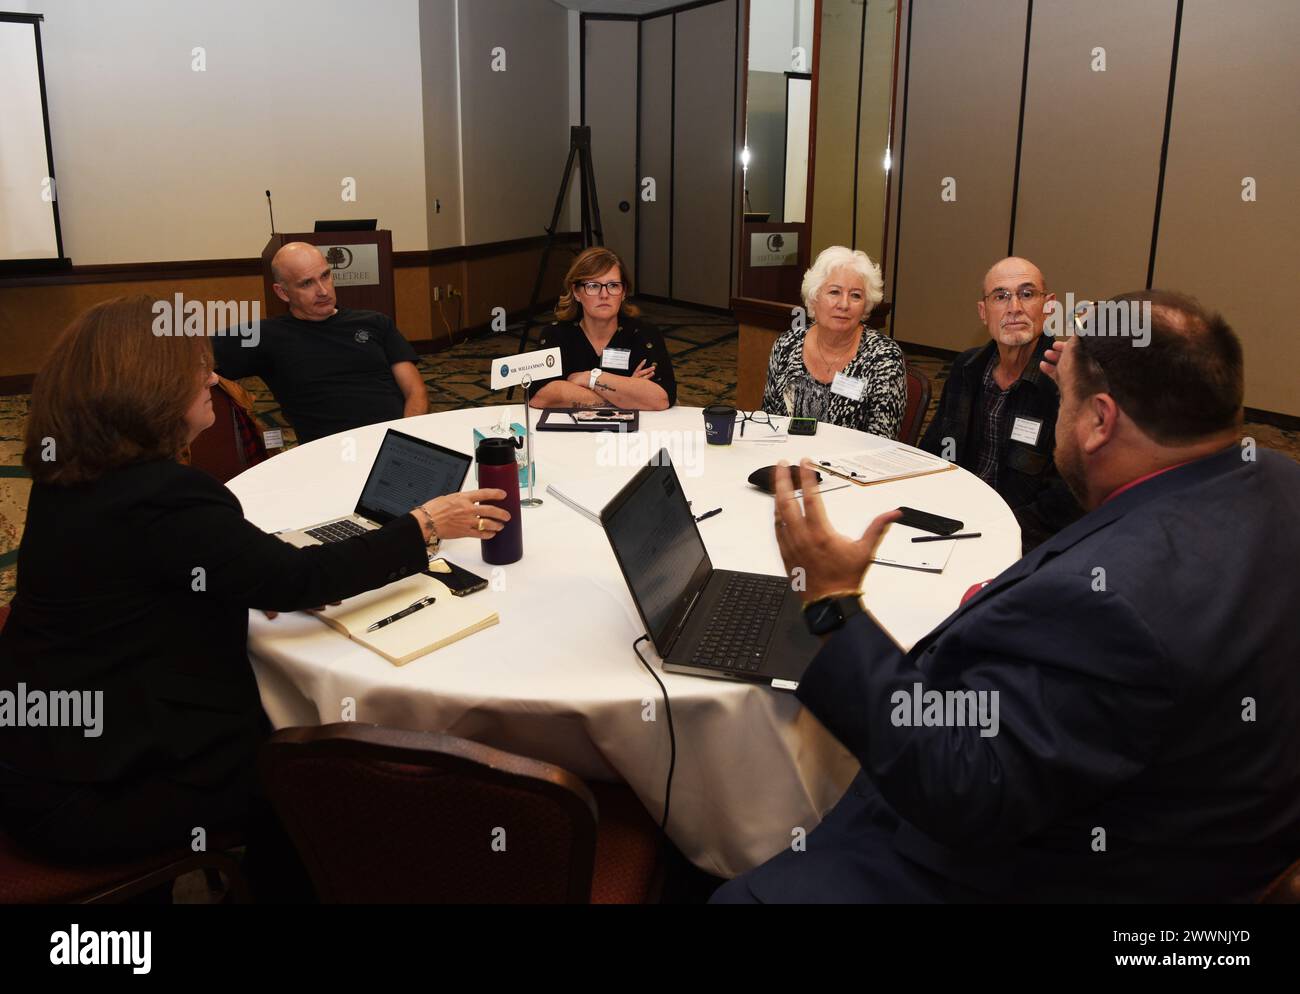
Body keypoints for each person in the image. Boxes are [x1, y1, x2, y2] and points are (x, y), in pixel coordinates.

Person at [715, 290, 1300, 903]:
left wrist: (834, 602)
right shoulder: (1281, 482)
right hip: (1219, 826)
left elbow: (960, 786)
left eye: (1066, 402)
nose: (1057, 418)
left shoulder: (1107, 605)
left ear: (1101, 421)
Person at [0, 296, 509, 894]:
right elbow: (302, 582)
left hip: (42, 756)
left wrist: (243, 570)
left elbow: (186, 569)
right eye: (197, 366)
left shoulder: (73, 476)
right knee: (332, 780)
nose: (214, 379)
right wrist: (423, 524)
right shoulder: (167, 496)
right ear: (151, 391)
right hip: (103, 793)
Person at [920, 256, 1080, 551]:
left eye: (1027, 294)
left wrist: (989, 534)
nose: (1014, 307)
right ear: (984, 312)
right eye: (1001, 296)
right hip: (953, 521)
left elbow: (1065, 504)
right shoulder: (967, 368)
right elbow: (934, 452)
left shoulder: (1066, 382)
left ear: (1049, 307)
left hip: (1021, 541)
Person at [213, 242, 429, 445]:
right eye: (307, 283)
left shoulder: (374, 322)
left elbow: (415, 390)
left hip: (395, 440)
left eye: (325, 276)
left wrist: (404, 440)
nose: (323, 291)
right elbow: (192, 353)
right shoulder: (267, 335)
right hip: (329, 453)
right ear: (282, 292)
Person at [760, 246, 906, 438]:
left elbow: (882, 441)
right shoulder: (786, 346)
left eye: (855, 295)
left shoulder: (883, 357)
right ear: (814, 298)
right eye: (834, 292)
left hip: (851, 465)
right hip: (788, 462)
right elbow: (769, 422)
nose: (844, 304)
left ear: (866, 305)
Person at [529, 247, 676, 411]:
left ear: (624, 292)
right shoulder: (556, 334)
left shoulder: (644, 333)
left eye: (613, 285)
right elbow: (540, 396)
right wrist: (625, 395)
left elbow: (661, 398)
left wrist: (590, 378)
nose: (604, 294)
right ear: (576, 292)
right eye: (593, 286)